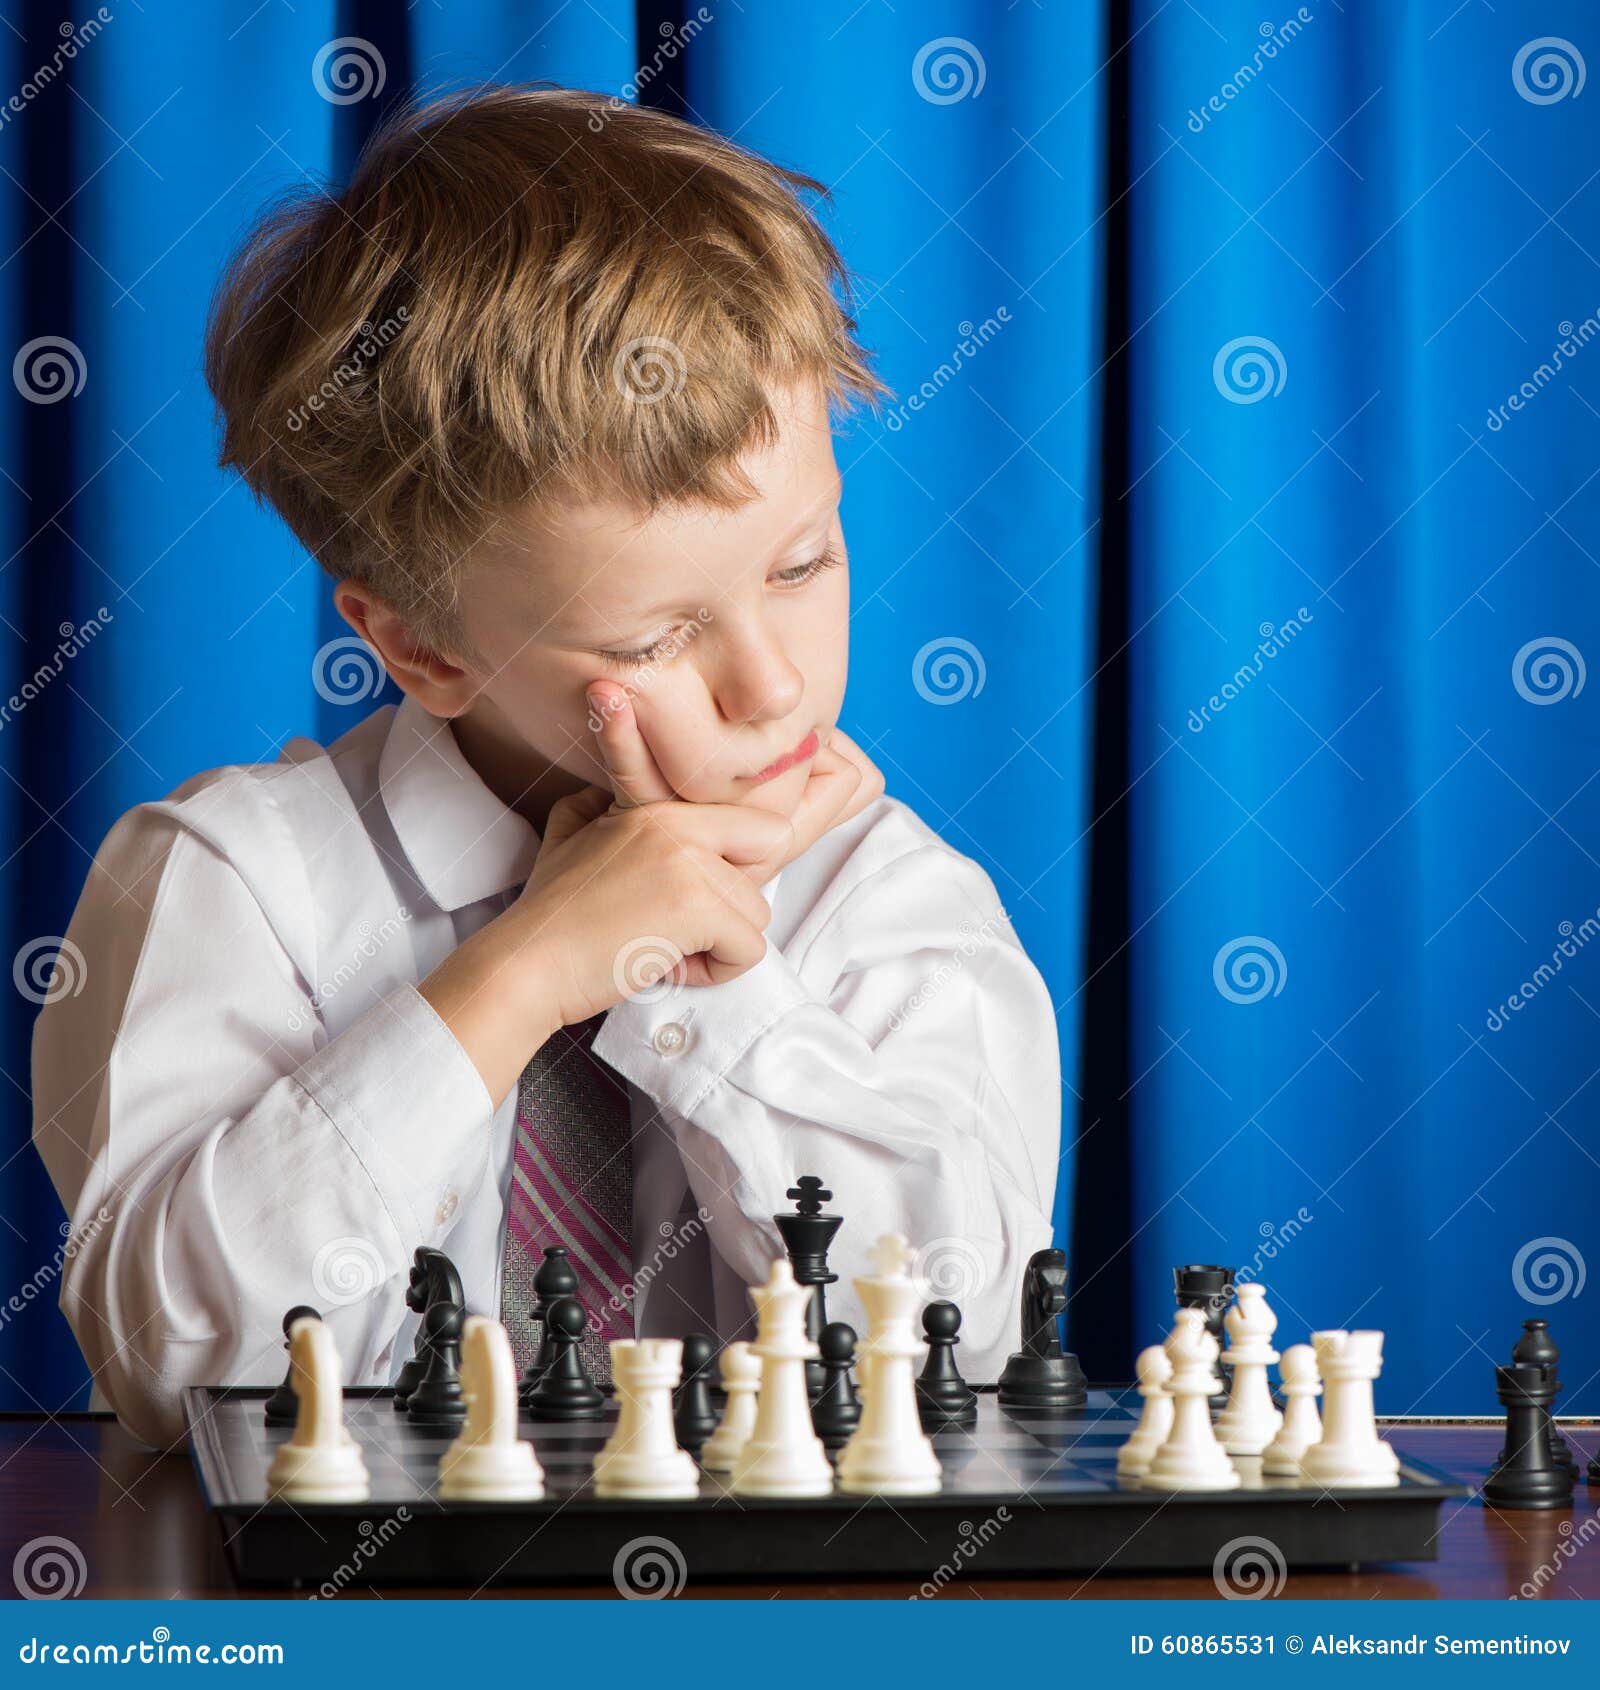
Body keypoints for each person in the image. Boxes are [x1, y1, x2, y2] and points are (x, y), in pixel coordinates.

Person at [31, 84, 1060, 1451]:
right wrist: (525, 972)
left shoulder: (890, 898)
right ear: (422, 645)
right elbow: (184, 1376)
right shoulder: (232, 885)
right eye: (655, 634)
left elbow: (960, 1347)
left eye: (805, 563)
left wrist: (724, 988)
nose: (776, 683)